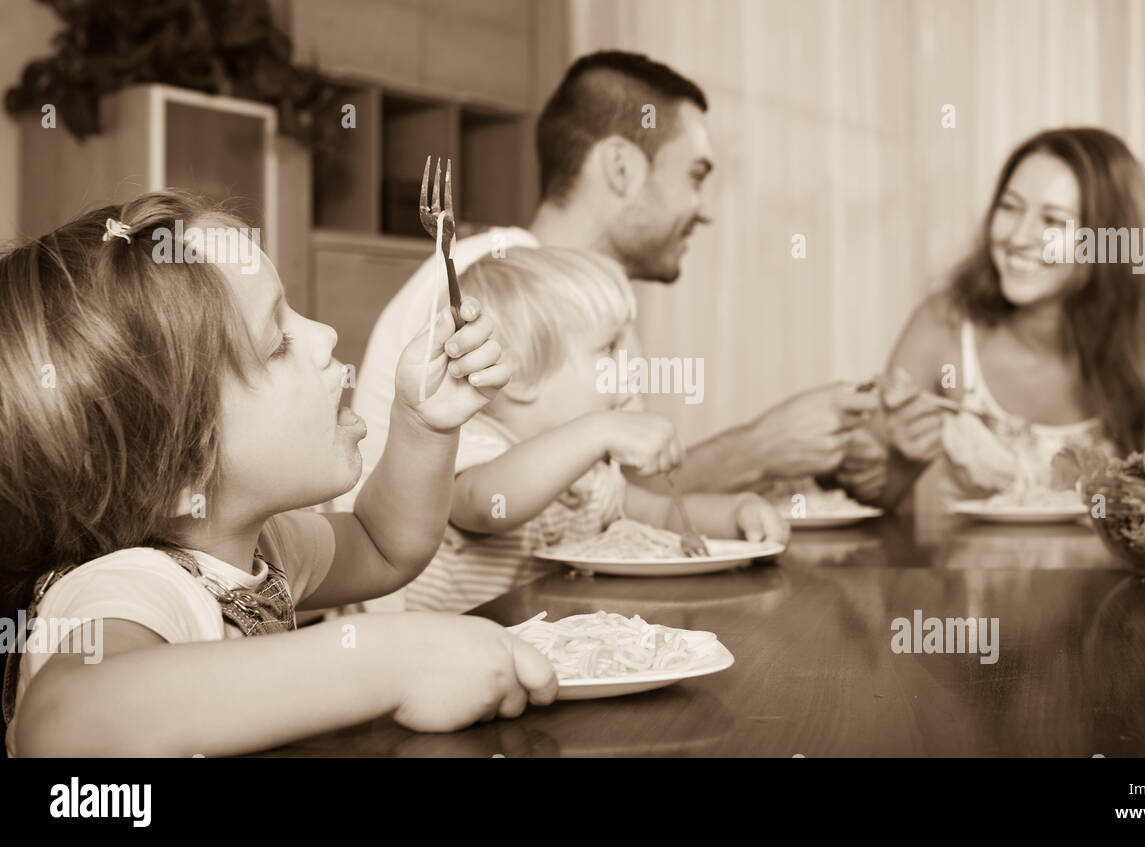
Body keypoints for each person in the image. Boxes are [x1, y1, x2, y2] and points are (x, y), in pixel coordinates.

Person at [0, 192, 556, 756]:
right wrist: (390, 660)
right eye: (278, 343)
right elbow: (64, 721)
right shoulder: (131, 586)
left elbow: (386, 545)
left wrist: (423, 426)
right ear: (178, 465)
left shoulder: (263, 545)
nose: (324, 337)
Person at [344, 49, 879, 514]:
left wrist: (784, 455)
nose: (706, 210)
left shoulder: (597, 315)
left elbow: (612, 496)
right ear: (621, 168)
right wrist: (761, 447)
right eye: (696, 176)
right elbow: (490, 497)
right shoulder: (489, 283)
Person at [836, 127, 1145, 508]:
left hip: (1117, 601)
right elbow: (855, 496)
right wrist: (900, 457)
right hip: (981, 601)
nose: (1018, 236)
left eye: (1053, 222)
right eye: (1010, 208)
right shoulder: (947, 324)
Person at [388, 247, 788, 613]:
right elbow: (485, 504)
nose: (629, 365)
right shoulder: (470, 444)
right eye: (609, 349)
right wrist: (598, 430)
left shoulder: (591, 476)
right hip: (449, 671)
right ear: (521, 377)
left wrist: (736, 514)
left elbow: (660, 513)